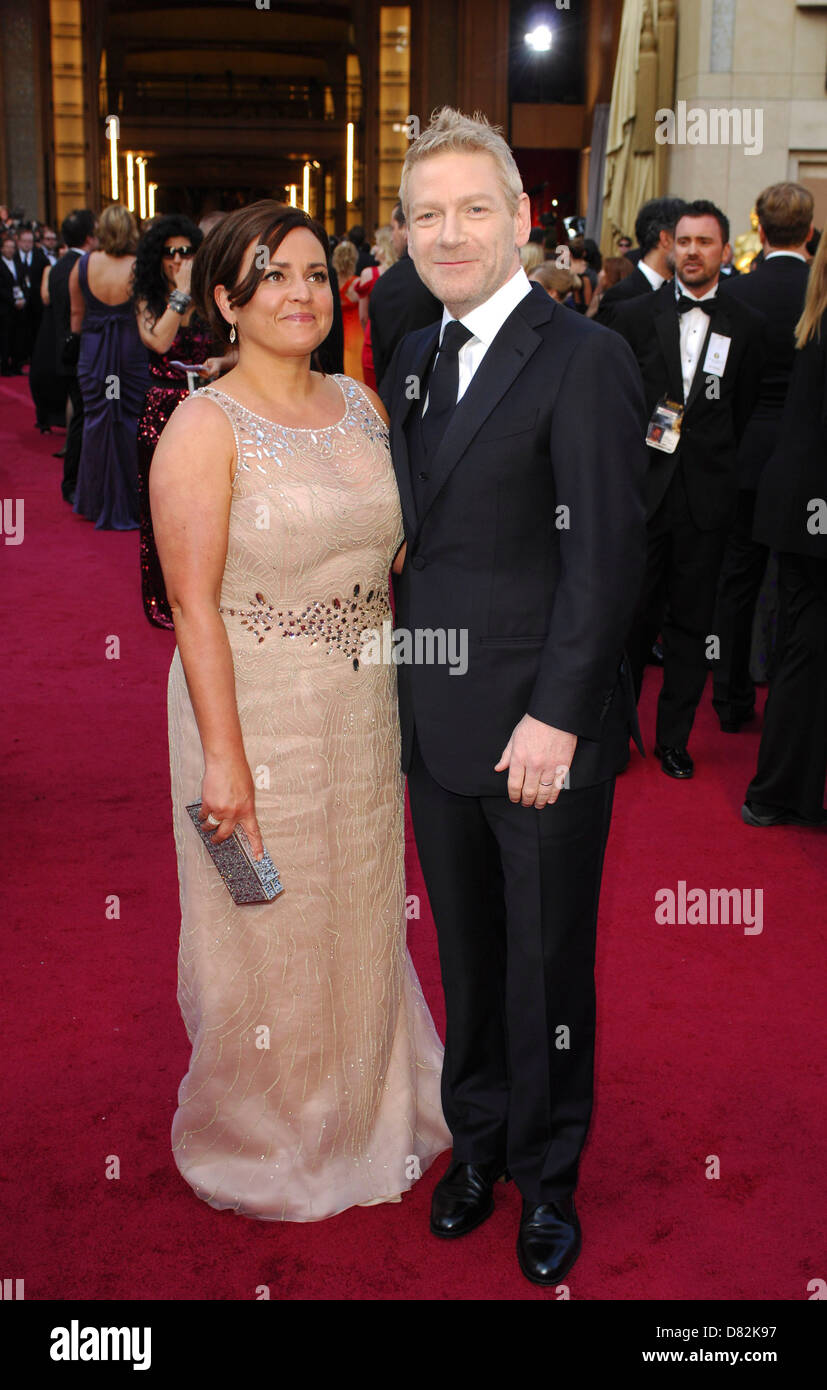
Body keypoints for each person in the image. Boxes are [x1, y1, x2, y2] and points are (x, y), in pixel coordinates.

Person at [380, 107, 647, 1284]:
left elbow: (606, 557)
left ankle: (548, 1174)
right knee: (469, 955)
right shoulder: (412, 352)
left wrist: (558, 714)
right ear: (400, 230)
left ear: (519, 218)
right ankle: (474, 1143)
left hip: (540, 732)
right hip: (435, 724)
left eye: (471, 208)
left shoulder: (584, 357)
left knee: (545, 969)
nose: (448, 233)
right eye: (425, 214)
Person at [149, 200, 450, 1221]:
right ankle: (274, 1128)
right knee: (266, 923)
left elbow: (398, 552)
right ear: (226, 298)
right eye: (272, 275)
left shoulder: (363, 406)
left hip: (364, 713)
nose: (298, 293)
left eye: (315, 273)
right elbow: (191, 605)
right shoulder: (202, 423)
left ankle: (369, 1104)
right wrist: (224, 763)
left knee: (360, 909)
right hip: (255, 716)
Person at [613, 200, 766, 778]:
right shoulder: (630, 316)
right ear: (668, 246)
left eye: (705, 242)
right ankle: (616, 732)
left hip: (707, 500)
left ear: (725, 252)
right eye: (684, 242)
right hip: (643, 495)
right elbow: (618, 405)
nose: (694, 252)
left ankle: (673, 739)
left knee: (691, 628)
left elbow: (742, 407)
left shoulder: (748, 326)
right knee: (630, 618)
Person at [712, 183, 813, 731]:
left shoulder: (739, 295)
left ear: (761, 228)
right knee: (801, 584)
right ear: (810, 231)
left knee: (738, 578)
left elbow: (723, 385)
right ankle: (793, 701)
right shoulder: (818, 292)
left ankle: (729, 699)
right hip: (808, 461)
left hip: (747, 454)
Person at [741, 225, 827, 829]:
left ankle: (780, 793)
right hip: (813, 510)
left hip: (800, 507)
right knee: (807, 653)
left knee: (806, 652)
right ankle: (775, 794)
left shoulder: (817, 314)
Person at [133, 215, 225, 628]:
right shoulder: (149, 300)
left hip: (206, 409)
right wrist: (182, 294)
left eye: (186, 251)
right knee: (162, 510)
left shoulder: (212, 298)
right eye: (169, 252)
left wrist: (221, 362)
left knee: (210, 507)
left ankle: (207, 595)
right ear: (157, 257)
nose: (178, 259)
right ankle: (163, 599)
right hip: (162, 412)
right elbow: (159, 340)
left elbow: (239, 347)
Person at [71, 204, 149, 529]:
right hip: (129, 351)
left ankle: (96, 501)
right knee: (128, 419)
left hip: (95, 351)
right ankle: (131, 501)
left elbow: (76, 318)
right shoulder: (141, 267)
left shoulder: (83, 264)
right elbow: (148, 315)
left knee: (98, 419)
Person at [50, 209, 97, 505]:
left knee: (79, 417)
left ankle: (74, 480)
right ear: (90, 236)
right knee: (82, 418)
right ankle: (73, 482)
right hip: (80, 353)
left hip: (64, 350)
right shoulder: (81, 267)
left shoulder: (58, 266)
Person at [368, 202, 442, 390]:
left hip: (397, 389)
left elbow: (379, 354)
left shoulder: (384, 284)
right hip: (434, 388)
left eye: (393, 228)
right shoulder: (442, 278)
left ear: (405, 229)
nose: (391, 238)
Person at [597, 197, 687, 329]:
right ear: (665, 239)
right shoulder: (620, 298)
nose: (692, 251)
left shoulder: (683, 292)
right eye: (685, 240)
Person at [353, 225, 395, 388]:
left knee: (373, 395)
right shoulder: (405, 272)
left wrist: (367, 335)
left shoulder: (369, 274)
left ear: (385, 246)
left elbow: (363, 316)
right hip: (397, 341)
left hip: (372, 341)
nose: (374, 248)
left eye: (377, 243)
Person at [331, 237, 362, 380]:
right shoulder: (357, 283)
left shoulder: (332, 282)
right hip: (356, 333)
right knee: (357, 372)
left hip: (338, 331)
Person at [585, 254, 635, 320]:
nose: (600, 273)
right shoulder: (633, 299)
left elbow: (586, 318)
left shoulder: (602, 299)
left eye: (605, 270)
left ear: (613, 276)